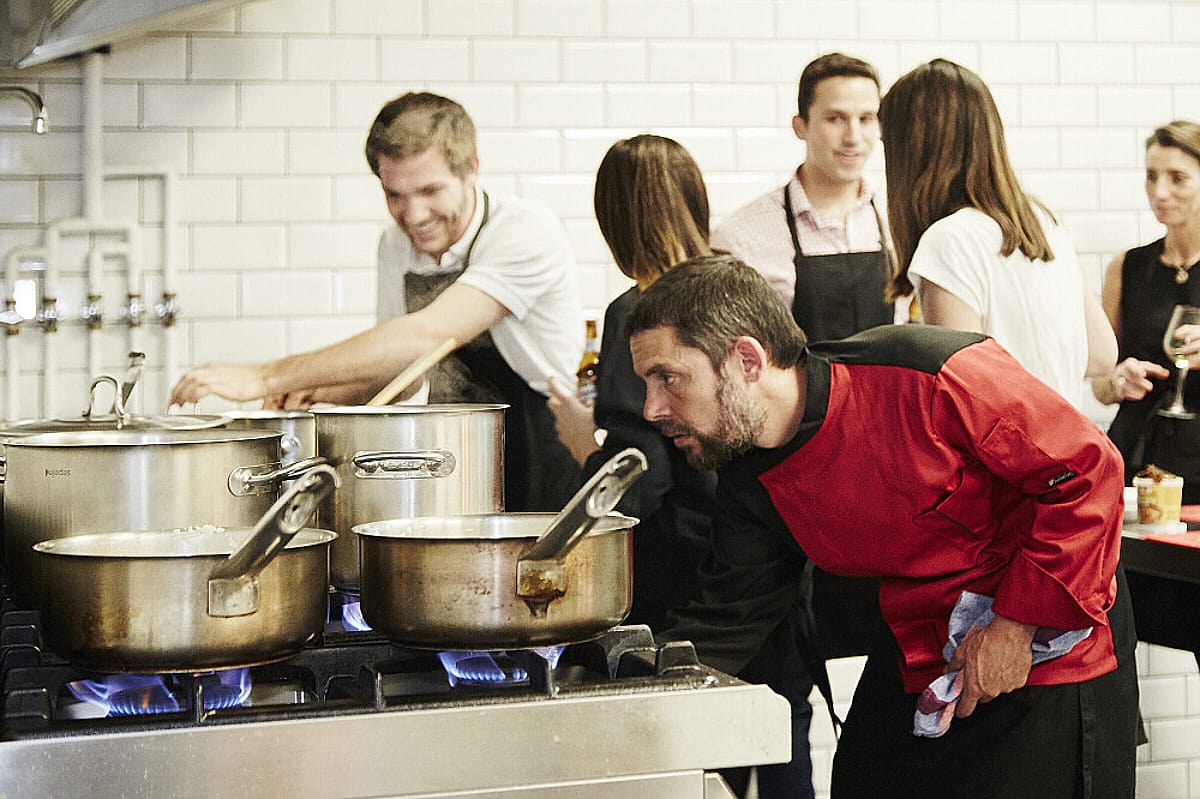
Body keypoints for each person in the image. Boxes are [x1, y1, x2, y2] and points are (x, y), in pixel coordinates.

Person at [628, 254, 1139, 799]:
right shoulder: (749, 474)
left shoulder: (928, 372)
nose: (652, 408)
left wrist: (1016, 625)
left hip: (1047, 646)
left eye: (668, 379)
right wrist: (621, 685)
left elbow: (1086, 469)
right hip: (921, 654)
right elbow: (732, 615)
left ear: (747, 360)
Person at [545, 135, 816, 799]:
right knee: (783, 738)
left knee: (691, 760)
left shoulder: (636, 316)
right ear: (695, 197)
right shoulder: (741, 291)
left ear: (612, 218)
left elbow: (642, 476)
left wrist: (583, 442)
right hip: (776, 561)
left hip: (688, 576)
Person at [169, 92, 581, 511]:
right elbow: (399, 367)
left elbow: (426, 335)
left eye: (430, 190)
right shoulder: (395, 244)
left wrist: (267, 376)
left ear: (471, 169)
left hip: (542, 461)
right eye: (394, 195)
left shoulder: (523, 232)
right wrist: (317, 392)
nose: (414, 215)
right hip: (455, 465)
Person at [880, 58, 1116, 411]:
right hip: (1061, 458)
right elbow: (1101, 355)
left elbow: (960, 398)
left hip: (1000, 466)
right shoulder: (1040, 223)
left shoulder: (947, 240)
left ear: (910, 150)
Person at [1091, 119, 1200, 666]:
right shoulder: (1126, 267)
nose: (1160, 192)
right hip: (1136, 473)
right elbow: (1098, 376)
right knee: (1112, 634)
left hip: (1199, 478)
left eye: (1177, 177)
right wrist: (1115, 379)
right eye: (1151, 176)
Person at [712, 51, 908, 339]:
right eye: (835, 119)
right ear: (800, 126)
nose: (853, 137)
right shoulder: (740, 238)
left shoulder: (899, 220)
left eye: (866, 119)